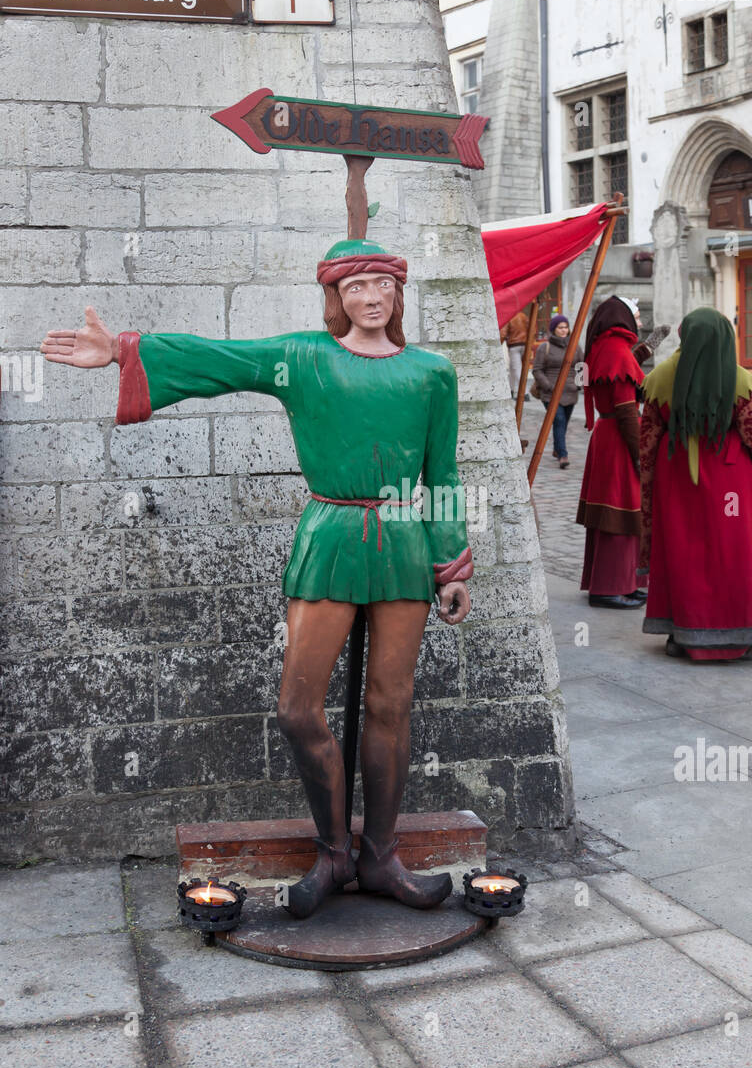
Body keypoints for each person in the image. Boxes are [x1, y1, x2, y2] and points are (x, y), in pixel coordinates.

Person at [40, 237, 473, 916]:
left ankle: (382, 857)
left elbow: (443, 475)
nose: (368, 297)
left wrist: (452, 563)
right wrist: (126, 350)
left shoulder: (431, 373)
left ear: (396, 293)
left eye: (380, 285)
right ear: (336, 297)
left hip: (402, 544)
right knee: (296, 710)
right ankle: (333, 853)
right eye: (354, 286)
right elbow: (222, 360)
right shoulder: (302, 358)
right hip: (329, 536)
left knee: (391, 704)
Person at [638, 306, 752, 661]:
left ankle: (682, 632)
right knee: (735, 554)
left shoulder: (659, 378)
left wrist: (650, 484)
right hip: (731, 481)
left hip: (676, 480)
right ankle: (745, 633)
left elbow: (647, 442)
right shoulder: (738, 379)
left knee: (683, 552)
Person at [576, 296, 646, 607]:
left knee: (612, 513)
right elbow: (626, 406)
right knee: (621, 512)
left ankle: (622, 582)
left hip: (605, 437)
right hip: (619, 438)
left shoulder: (603, 347)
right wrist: (641, 451)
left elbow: (619, 377)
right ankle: (610, 586)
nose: (640, 322)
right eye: (637, 316)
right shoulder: (617, 350)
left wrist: (642, 353)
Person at [531, 313, 583, 468]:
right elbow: (537, 370)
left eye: (566, 327)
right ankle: (563, 455)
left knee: (563, 423)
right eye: (560, 327)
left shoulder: (575, 346)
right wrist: (549, 386)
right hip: (551, 393)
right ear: (554, 329)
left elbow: (582, 366)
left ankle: (556, 448)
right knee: (559, 420)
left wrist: (579, 385)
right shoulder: (544, 348)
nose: (564, 330)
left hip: (570, 393)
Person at [502, 309, 530, 398]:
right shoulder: (524, 316)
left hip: (514, 345)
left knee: (517, 369)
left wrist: (499, 343)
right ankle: (511, 390)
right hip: (525, 344)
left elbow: (503, 333)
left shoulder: (509, 317)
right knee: (513, 368)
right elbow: (532, 329)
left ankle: (524, 393)